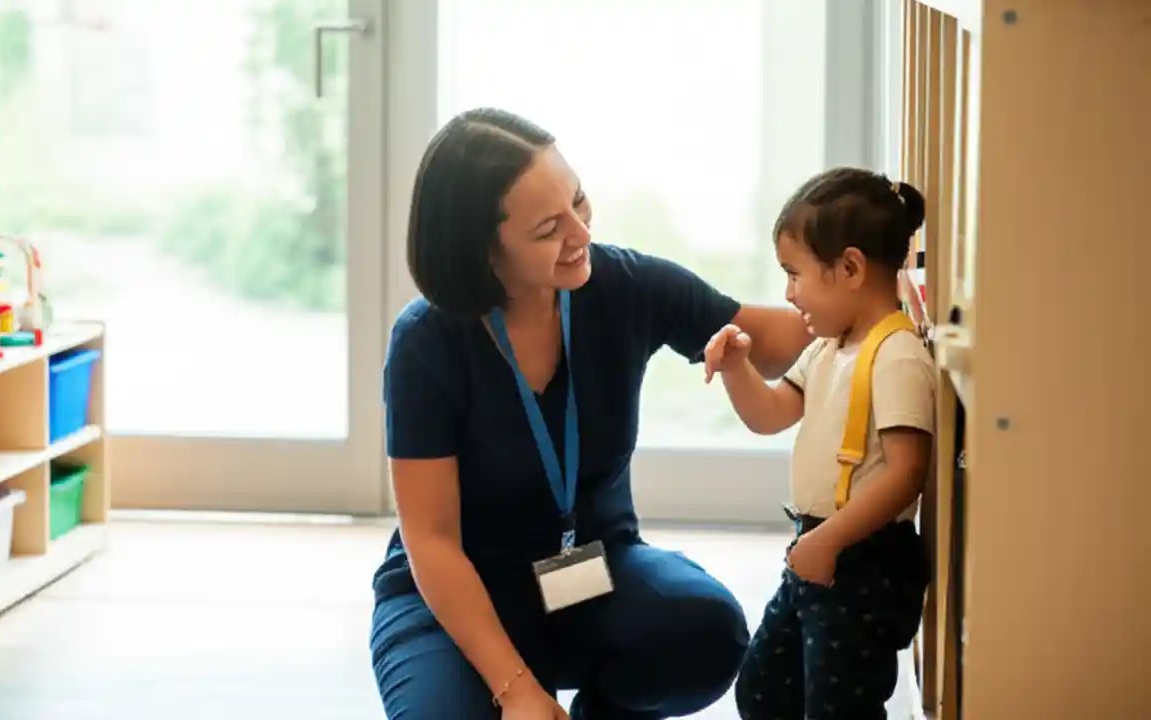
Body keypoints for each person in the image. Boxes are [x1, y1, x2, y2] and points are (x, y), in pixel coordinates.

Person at [368, 107, 812, 719]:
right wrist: (518, 690)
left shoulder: (623, 285)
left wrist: (878, 301)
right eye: (549, 228)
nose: (580, 234)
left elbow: (778, 339)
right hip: (458, 592)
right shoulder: (427, 340)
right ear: (482, 248)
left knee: (706, 631)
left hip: (586, 573)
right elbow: (433, 543)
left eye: (580, 203)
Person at [703, 167, 936, 719]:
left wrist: (830, 541)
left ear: (850, 268)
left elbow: (907, 473)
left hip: (864, 558)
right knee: (764, 689)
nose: (788, 293)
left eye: (795, 274)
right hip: (817, 545)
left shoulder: (896, 354)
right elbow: (770, 415)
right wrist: (738, 368)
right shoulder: (830, 348)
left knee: (838, 703)